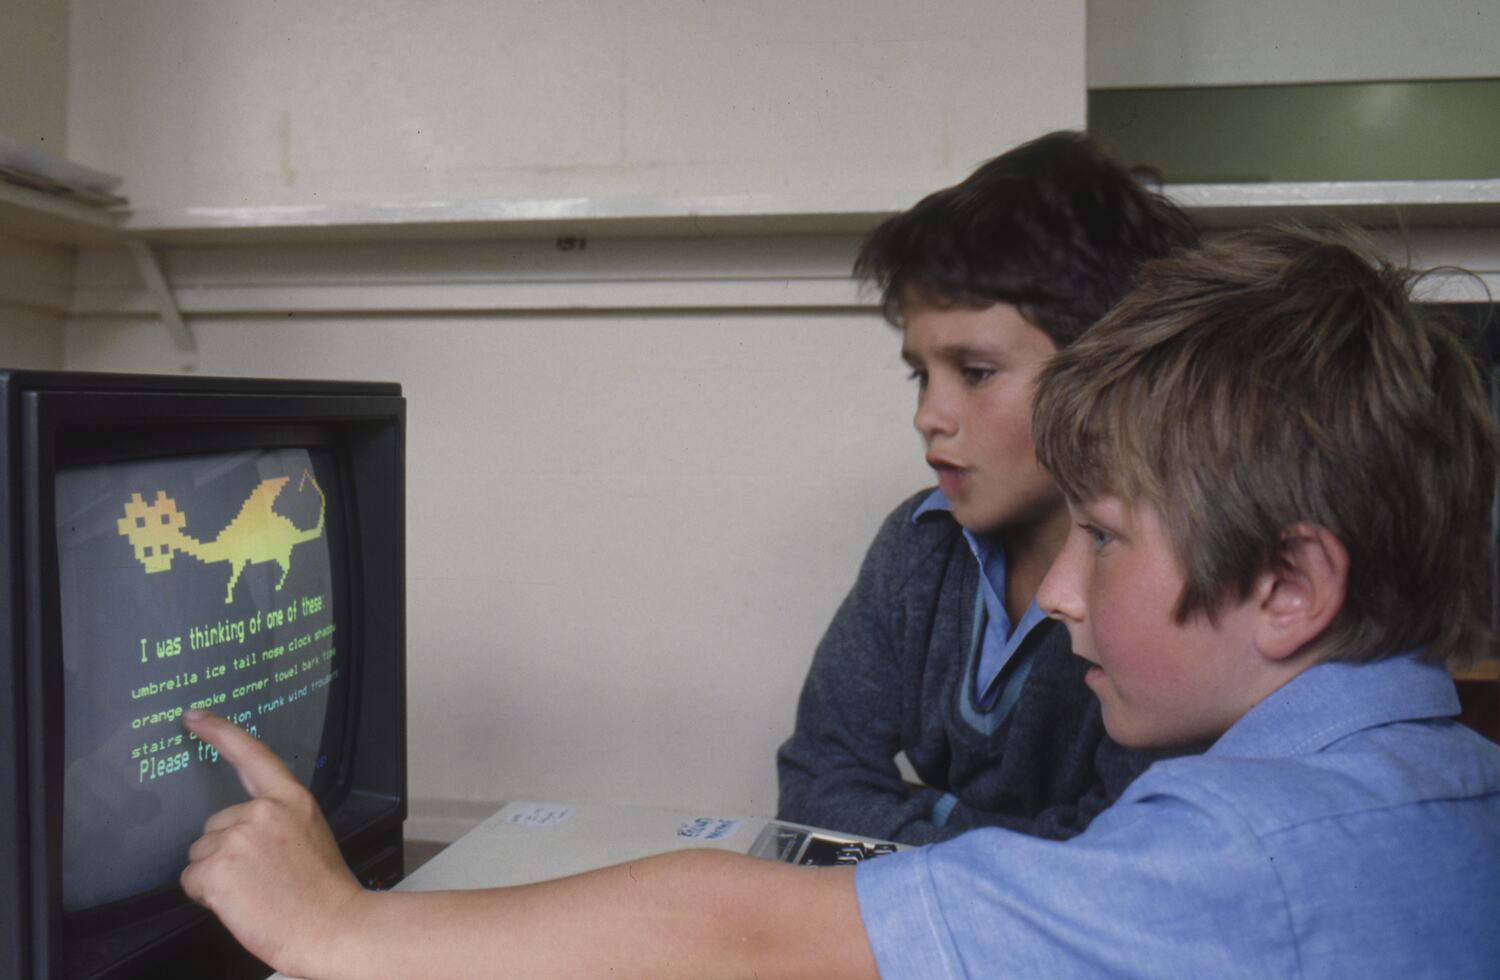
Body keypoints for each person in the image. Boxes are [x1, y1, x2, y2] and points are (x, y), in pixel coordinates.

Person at [183, 227, 1500, 977]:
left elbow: (750, 928)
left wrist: (342, 924)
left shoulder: (1245, 854)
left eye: (1101, 538)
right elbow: (823, 776)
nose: (1057, 588)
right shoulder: (1427, 781)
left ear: (1289, 584)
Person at [776, 130, 1198, 842]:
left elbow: (1115, 854)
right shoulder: (918, 545)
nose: (927, 415)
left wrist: (927, 814)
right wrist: (992, 835)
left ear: (1101, 372)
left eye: (974, 373)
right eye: (921, 374)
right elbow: (817, 778)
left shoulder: (1166, 579)